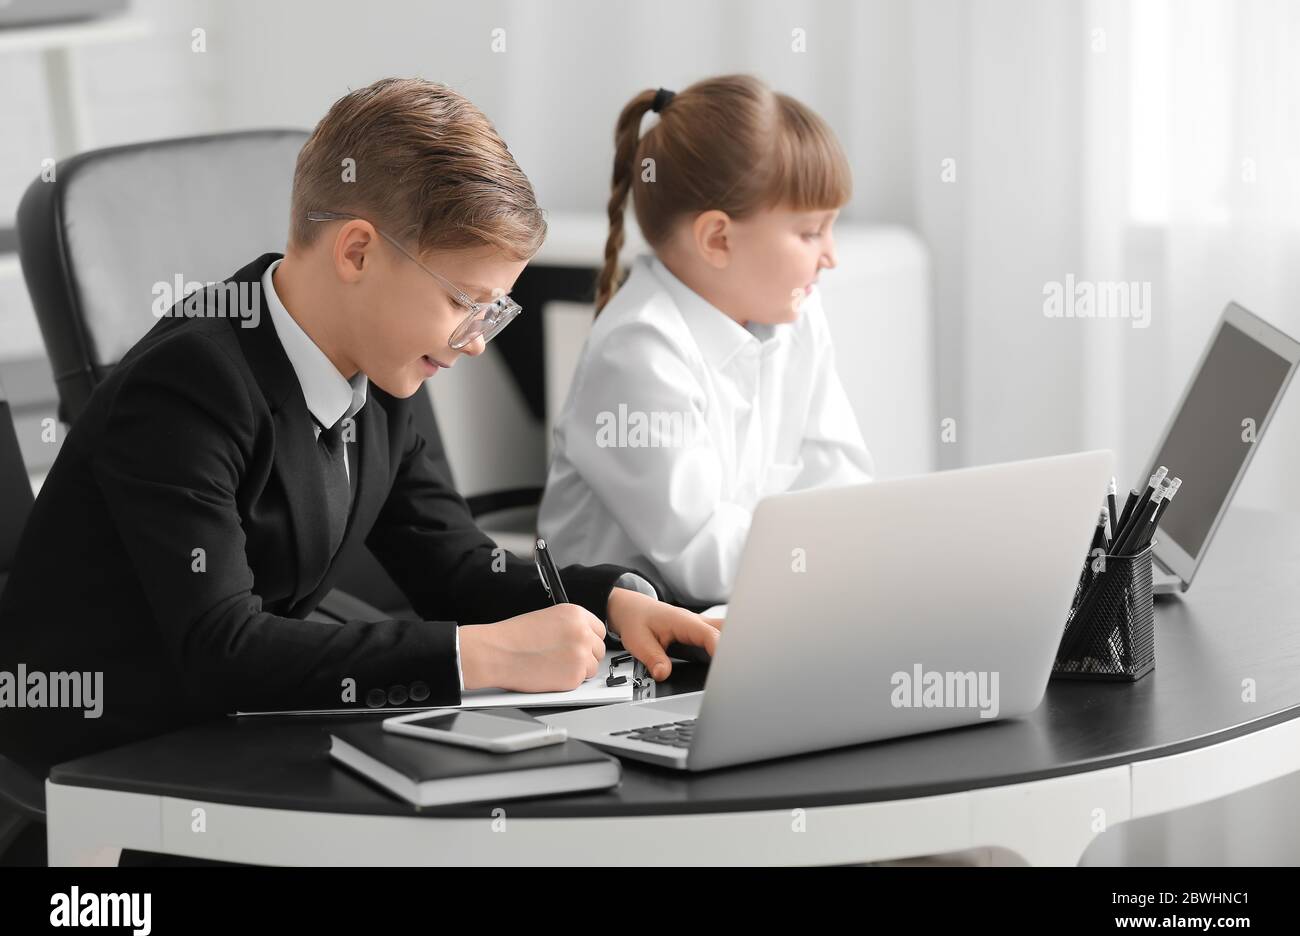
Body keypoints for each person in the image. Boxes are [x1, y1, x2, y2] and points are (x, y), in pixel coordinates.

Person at [0, 77, 718, 785]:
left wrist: (610, 600)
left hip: (247, 721)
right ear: (357, 252)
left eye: (495, 311)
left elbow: (451, 567)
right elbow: (223, 648)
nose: (477, 342)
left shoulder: (381, 370)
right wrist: (482, 656)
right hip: (113, 745)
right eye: (467, 302)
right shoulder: (189, 384)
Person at [540, 75, 874, 608]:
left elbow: (842, 484)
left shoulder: (799, 313)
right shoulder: (639, 347)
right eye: (812, 232)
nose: (830, 255)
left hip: (761, 605)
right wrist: (847, 559)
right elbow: (702, 556)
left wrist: (857, 554)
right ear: (718, 238)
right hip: (629, 654)